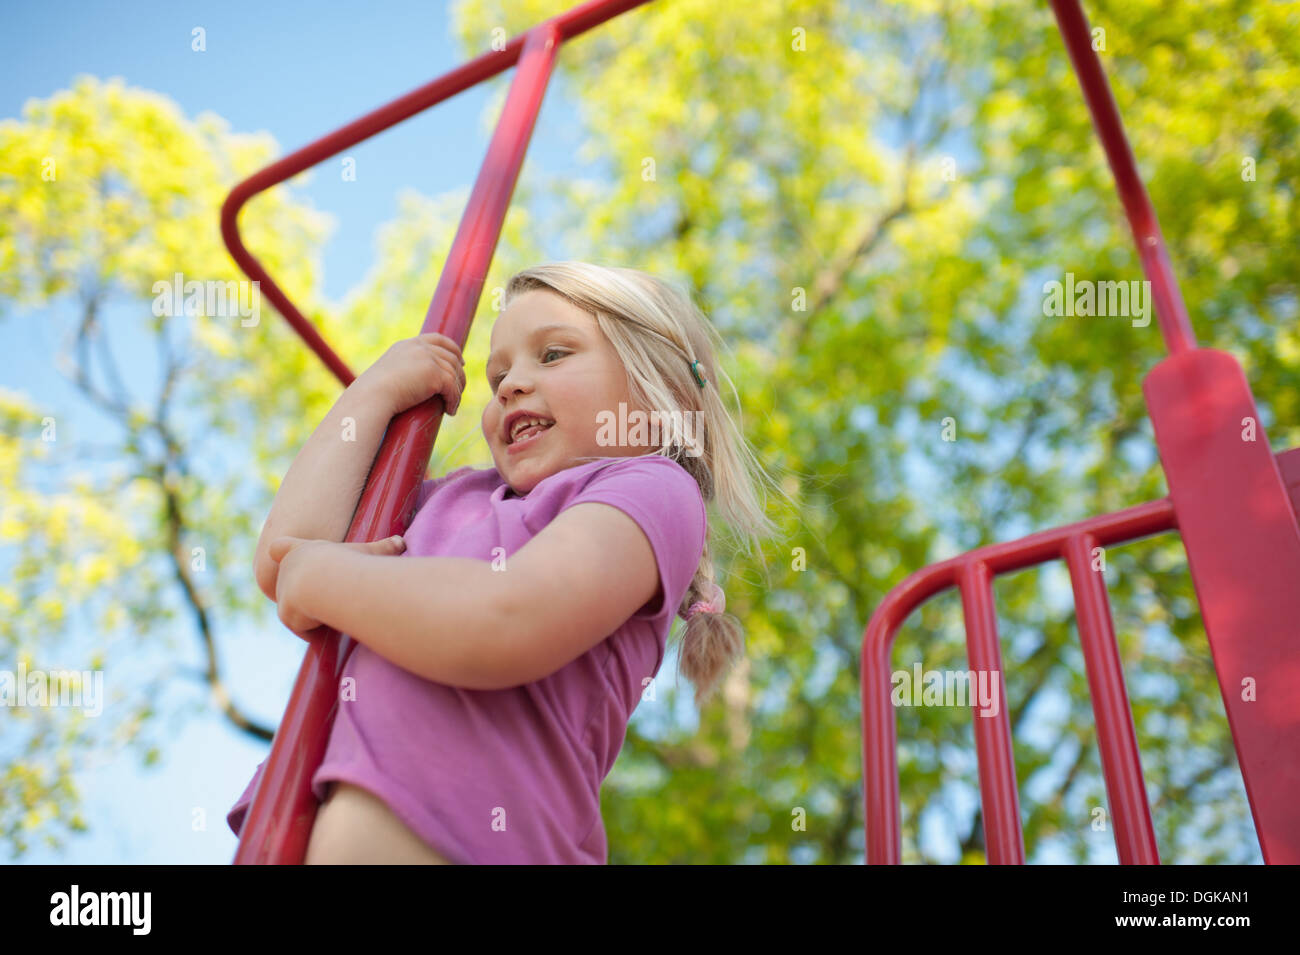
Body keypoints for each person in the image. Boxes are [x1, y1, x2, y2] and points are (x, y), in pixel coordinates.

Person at [226, 261, 782, 863]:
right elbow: (291, 553)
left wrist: (323, 576)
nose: (512, 384)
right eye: (497, 377)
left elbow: (505, 619)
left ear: (658, 393)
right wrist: (374, 391)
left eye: (553, 355)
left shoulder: (651, 487)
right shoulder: (452, 499)